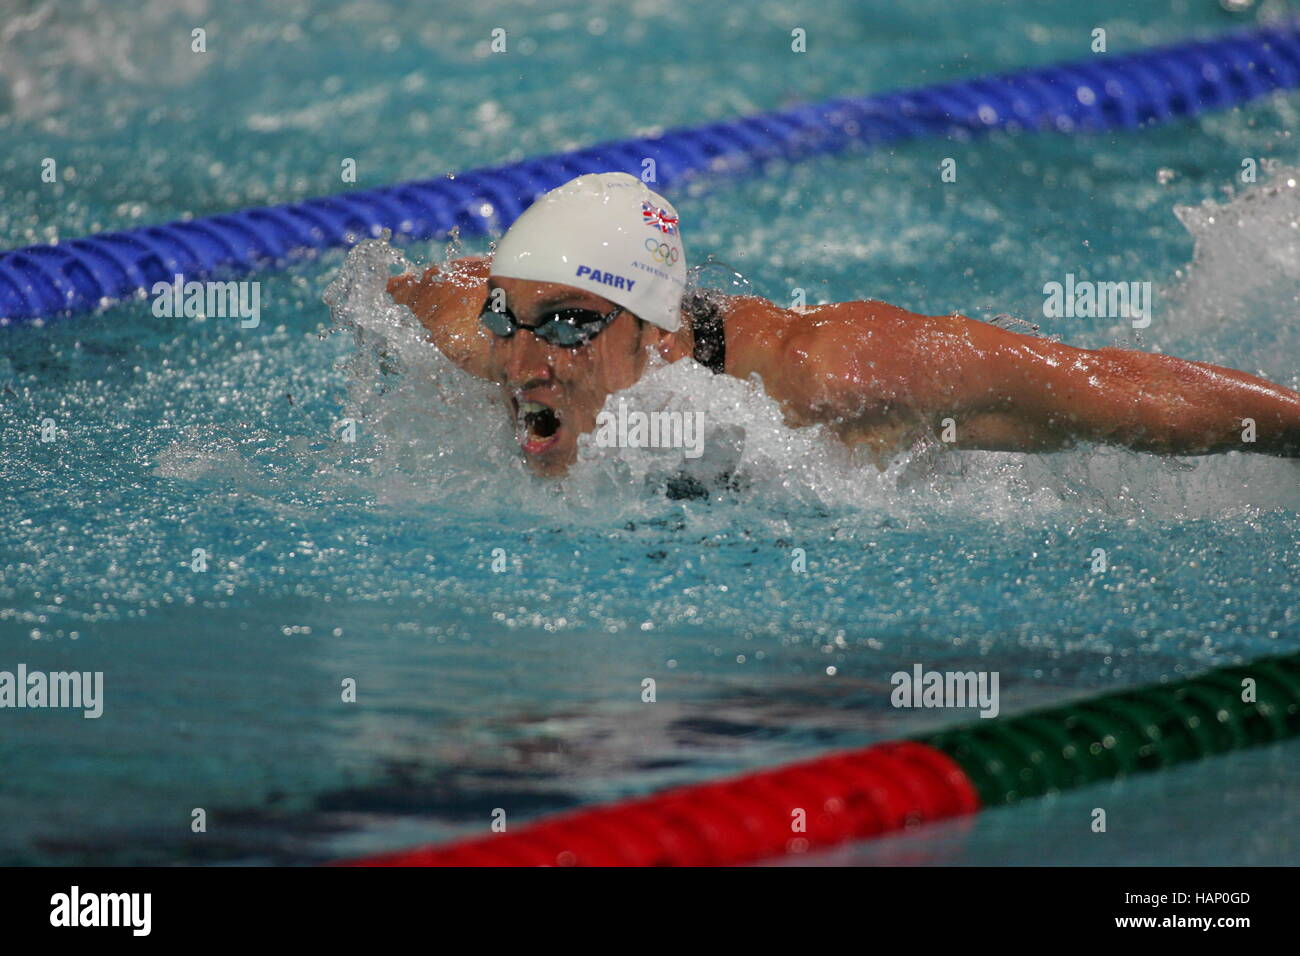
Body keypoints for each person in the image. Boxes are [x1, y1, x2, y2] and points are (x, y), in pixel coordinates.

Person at [386, 172, 1300, 477]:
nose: (527, 364)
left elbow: (1115, 388)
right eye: (510, 319)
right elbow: (385, 291)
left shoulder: (824, 376)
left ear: (658, 337)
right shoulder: (488, 339)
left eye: (572, 326)